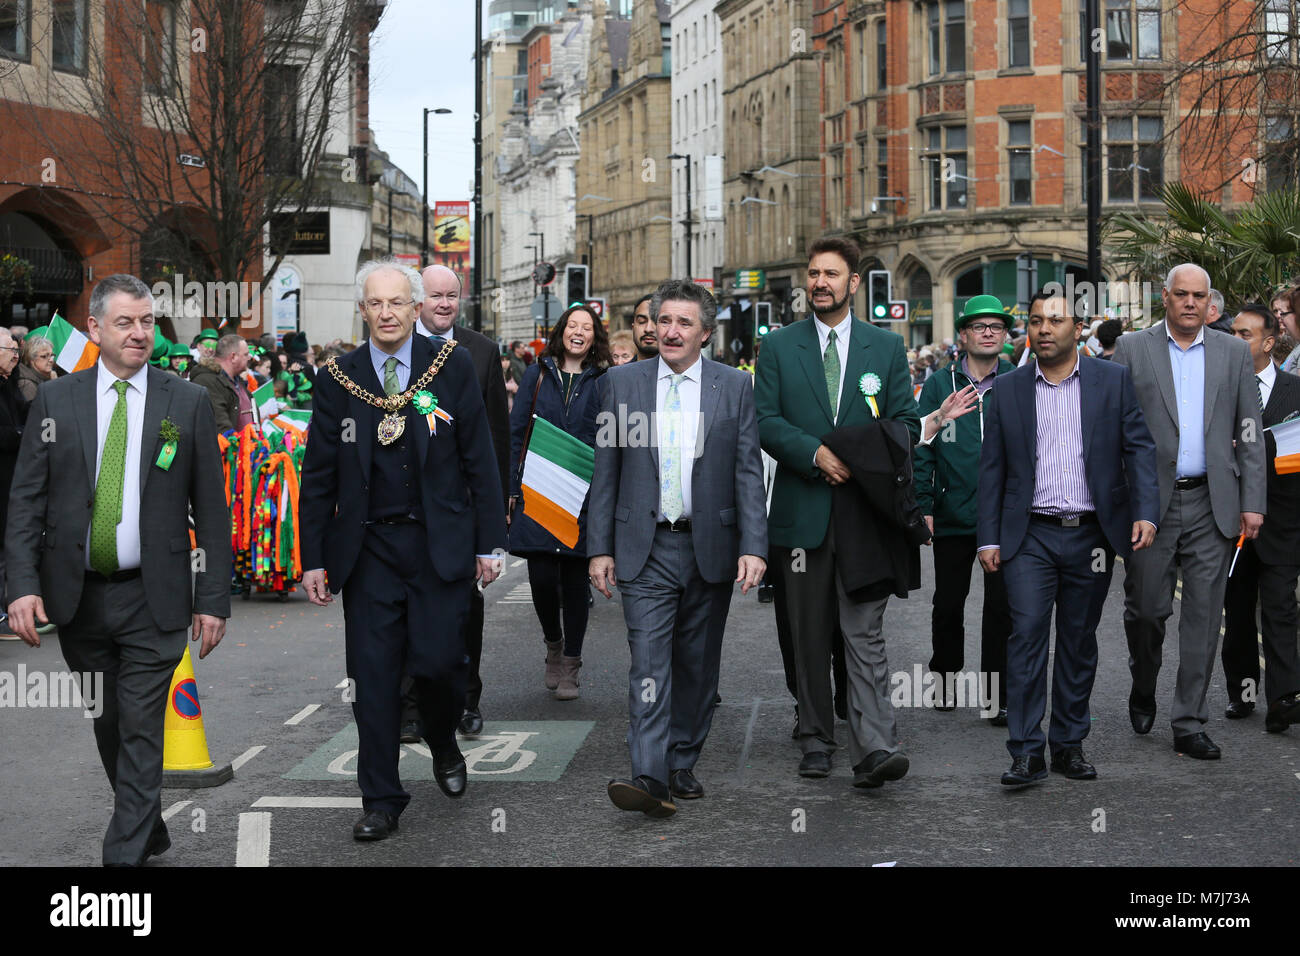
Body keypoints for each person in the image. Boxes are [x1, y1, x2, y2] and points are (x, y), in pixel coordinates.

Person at [6, 274, 230, 866]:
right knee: (109, 724)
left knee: (139, 726)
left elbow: (211, 508)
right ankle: (147, 824)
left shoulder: (187, 401)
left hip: (152, 597)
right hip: (78, 597)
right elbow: (27, 500)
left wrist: (213, 598)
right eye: (125, 322)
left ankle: (122, 859)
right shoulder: (55, 401)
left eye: (147, 322)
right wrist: (22, 586)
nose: (139, 333)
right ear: (96, 329)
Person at [298, 259, 505, 842]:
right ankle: (381, 799)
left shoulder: (452, 365)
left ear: (417, 308)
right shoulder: (339, 376)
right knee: (374, 677)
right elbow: (317, 474)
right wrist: (313, 556)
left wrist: (489, 542)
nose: (386, 314)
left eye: (397, 303)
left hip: (439, 544)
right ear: (362, 311)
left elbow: (479, 461)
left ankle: (441, 738)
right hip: (367, 551)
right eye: (375, 304)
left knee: (442, 665)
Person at [754, 236, 972, 787]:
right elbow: (766, 421)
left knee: (864, 632)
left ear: (854, 283)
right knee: (807, 631)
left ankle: (875, 747)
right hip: (803, 512)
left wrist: (859, 450)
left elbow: (901, 421)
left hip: (865, 516)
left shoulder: (885, 347)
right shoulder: (779, 347)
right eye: (813, 273)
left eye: (830, 274)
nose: (819, 282)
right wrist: (814, 454)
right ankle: (815, 736)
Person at [589, 279, 766, 816]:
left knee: (696, 663)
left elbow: (747, 472)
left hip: (708, 545)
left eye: (684, 323)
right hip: (644, 547)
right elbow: (606, 472)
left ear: (705, 333)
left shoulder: (733, 387)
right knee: (648, 663)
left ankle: (682, 759)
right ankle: (648, 772)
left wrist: (754, 546)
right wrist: (599, 548)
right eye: (663, 320)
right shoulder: (621, 384)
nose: (669, 330)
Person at [977, 290, 1159, 786]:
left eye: (1055, 320)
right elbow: (992, 469)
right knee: (1027, 635)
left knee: (1079, 642)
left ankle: (1068, 744)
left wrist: (1146, 511)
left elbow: (1138, 448)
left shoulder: (1113, 382)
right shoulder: (1009, 389)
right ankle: (1026, 751)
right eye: (1036, 321)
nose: (1044, 329)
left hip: (1091, 535)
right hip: (1029, 535)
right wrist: (987, 538)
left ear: (1077, 329)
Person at [1113, 263, 1266, 759]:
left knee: (1203, 615)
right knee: (1148, 612)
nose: (1190, 303)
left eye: (1199, 296)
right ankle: (1143, 682)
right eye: (1181, 294)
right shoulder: (1134, 349)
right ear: (1165, 297)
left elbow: (1248, 430)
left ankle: (1189, 721)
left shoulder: (1232, 353)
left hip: (1212, 500)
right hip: (1149, 504)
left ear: (1209, 303)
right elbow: (1111, 427)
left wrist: (1253, 503)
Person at [402, 263, 510, 737]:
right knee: (406, 607)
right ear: (417, 300)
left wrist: (500, 503)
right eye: (435, 295)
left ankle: (466, 700)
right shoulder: (396, 348)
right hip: (404, 505)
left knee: (465, 606)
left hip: (462, 505)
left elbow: (495, 437)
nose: (444, 303)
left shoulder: (482, 352)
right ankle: (408, 708)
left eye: (452, 295)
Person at [914, 294, 1014, 723]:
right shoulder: (939, 384)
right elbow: (922, 446)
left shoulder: (1020, 380)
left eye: (996, 326)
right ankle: (945, 680)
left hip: (1006, 518)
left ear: (1006, 336)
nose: (988, 332)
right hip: (953, 513)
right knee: (949, 604)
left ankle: (997, 696)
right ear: (964, 335)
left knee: (1002, 611)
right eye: (979, 326)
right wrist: (924, 503)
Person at [509, 304, 608, 699]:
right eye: (572, 325)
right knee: (542, 577)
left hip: (583, 492)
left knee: (573, 579)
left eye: (586, 327)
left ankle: (571, 662)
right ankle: (553, 642)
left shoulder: (603, 380)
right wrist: (512, 490)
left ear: (594, 336)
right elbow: (518, 433)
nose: (578, 332)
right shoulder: (536, 374)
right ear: (562, 331)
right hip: (538, 490)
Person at [1221, 304, 1300, 732]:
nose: (1234, 340)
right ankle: (1243, 691)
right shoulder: (1218, 389)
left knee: (1281, 609)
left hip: (1284, 520)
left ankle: (1284, 697)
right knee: (1236, 611)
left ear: (1269, 343)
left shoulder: (1296, 390)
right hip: (1230, 519)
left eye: (1244, 334)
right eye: (1231, 332)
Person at [0, 328, 30, 637]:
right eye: (10, 350)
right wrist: (22, 435)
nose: (15, 355)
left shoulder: (9, 383)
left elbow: (23, 411)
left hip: (10, 476)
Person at [189, 334, 252, 435]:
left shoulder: (237, 380)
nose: (249, 358)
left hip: (248, 447)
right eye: (245, 354)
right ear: (233, 357)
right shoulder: (206, 381)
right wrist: (236, 446)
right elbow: (221, 426)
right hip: (229, 448)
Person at [15, 334, 54, 402]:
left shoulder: (45, 376)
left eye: (52, 355)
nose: (51, 360)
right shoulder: (27, 385)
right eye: (44, 356)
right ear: (31, 359)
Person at [631, 293, 658, 360]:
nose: (648, 329)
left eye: (656, 321)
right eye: (641, 321)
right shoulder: (617, 370)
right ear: (633, 327)